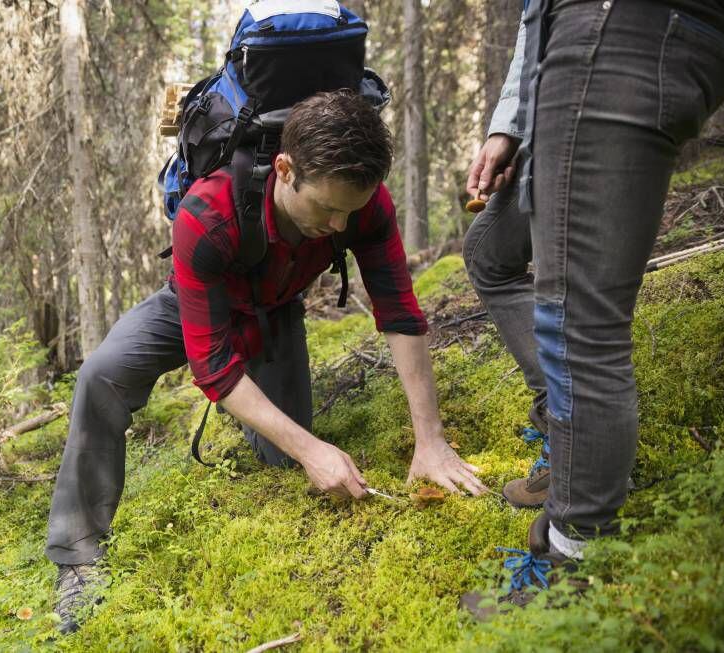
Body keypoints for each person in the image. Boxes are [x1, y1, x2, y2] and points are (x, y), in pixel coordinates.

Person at [47, 89, 487, 634]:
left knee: (284, 462)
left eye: (348, 212)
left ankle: (252, 419)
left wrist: (431, 439)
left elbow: (399, 310)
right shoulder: (206, 214)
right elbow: (211, 366)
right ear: (284, 169)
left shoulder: (362, 206)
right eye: (325, 208)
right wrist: (313, 449)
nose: (337, 225)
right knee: (102, 374)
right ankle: (78, 556)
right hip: (195, 306)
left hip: (275, 311)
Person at [460, 0, 724, 614]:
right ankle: (571, 445)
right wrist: (509, 122)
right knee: (490, 250)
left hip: (621, 32)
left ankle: (575, 558)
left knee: (580, 324)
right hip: (580, 44)